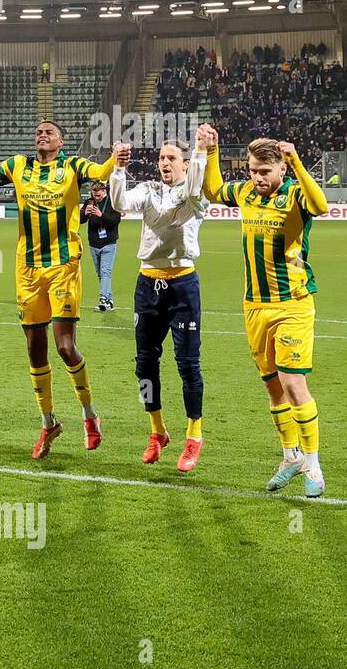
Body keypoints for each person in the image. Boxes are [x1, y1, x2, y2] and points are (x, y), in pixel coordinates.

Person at [0, 120, 115, 458]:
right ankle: (48, 422)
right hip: (27, 271)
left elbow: (101, 170)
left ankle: (89, 415)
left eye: (49, 132)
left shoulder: (72, 165)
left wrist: (116, 158)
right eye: (38, 131)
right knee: (35, 349)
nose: (42, 135)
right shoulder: (18, 165)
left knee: (66, 347)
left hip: (63, 267)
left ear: (61, 140)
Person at [202, 133, 328, 497]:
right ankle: (290, 456)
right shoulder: (245, 193)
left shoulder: (294, 194)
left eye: (264, 171)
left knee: (293, 384)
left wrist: (298, 161)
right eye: (253, 170)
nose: (256, 177)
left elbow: (320, 206)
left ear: (281, 168)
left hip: (292, 303)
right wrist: (212, 151)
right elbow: (213, 191)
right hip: (254, 305)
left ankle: (313, 465)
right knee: (273, 386)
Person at [110, 134, 207, 473]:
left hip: (182, 286)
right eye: (162, 158)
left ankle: (194, 435)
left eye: (171, 158)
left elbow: (194, 185)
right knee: (145, 364)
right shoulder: (149, 190)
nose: (165, 163)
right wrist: (118, 169)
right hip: (148, 284)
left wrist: (200, 152)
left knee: (187, 364)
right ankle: (157, 431)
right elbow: (120, 203)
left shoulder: (195, 195)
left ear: (184, 163)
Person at [80, 180, 120, 311]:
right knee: (100, 274)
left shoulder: (113, 202)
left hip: (108, 243)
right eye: (94, 195)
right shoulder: (89, 202)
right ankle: (109, 301)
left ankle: (103, 298)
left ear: (105, 191)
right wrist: (84, 214)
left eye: (98, 195)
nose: (96, 198)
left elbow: (115, 221)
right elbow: (80, 220)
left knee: (105, 272)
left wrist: (101, 215)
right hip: (93, 243)